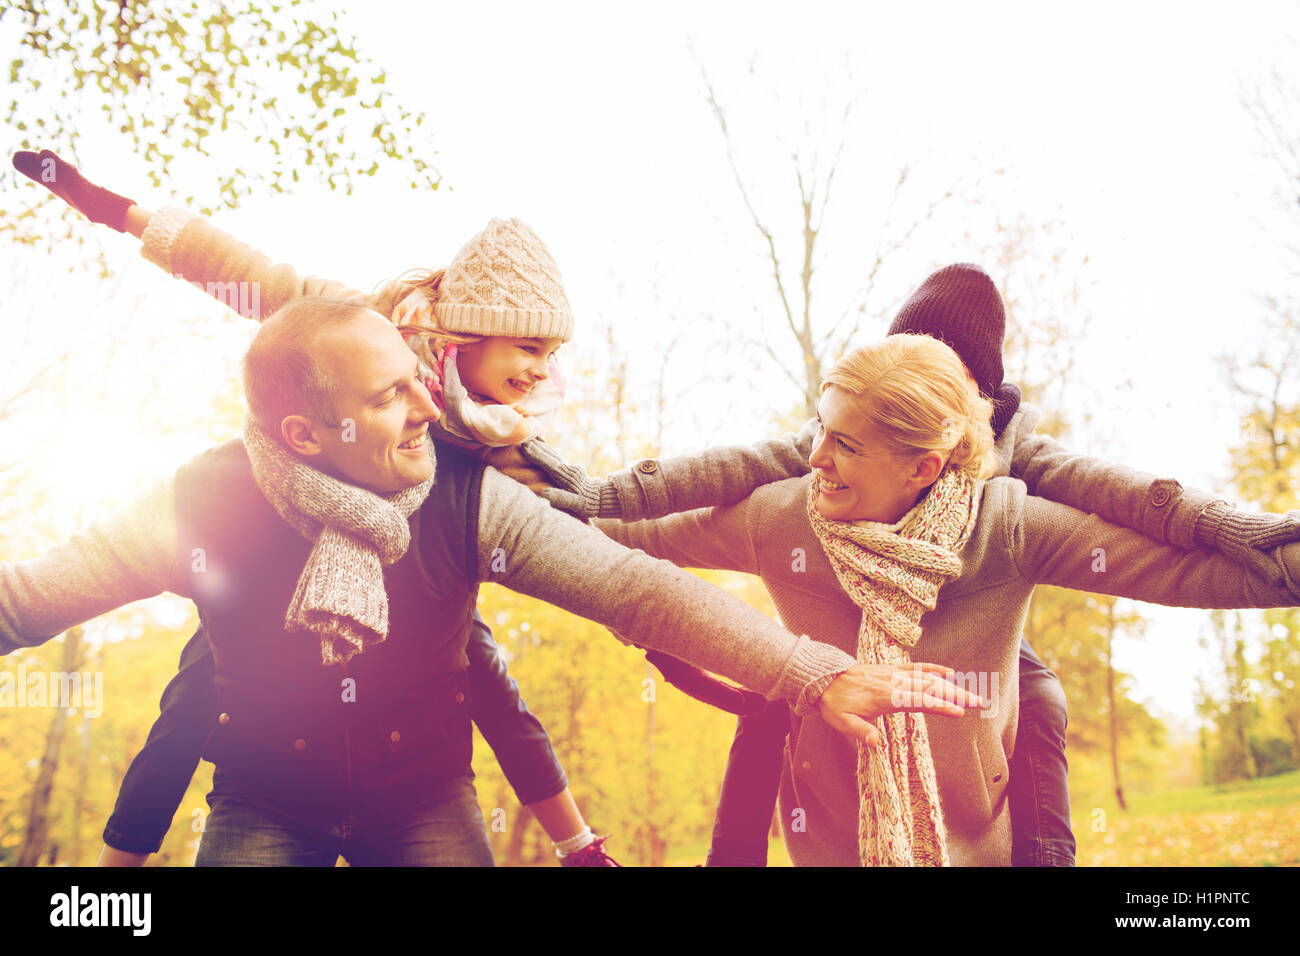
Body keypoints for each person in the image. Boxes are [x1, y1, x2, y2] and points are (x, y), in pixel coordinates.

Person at [0, 294, 986, 865]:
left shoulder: (465, 500)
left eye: (415, 378)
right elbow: (29, 601)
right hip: (264, 797)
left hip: (422, 795)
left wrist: (808, 670)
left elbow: (634, 586)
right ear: (306, 434)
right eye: (388, 396)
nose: (425, 408)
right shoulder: (196, 505)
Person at [12, 147, 761, 863]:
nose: (542, 371)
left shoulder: (504, 447)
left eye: (552, 353)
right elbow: (242, 272)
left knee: (484, 674)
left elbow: (603, 556)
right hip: (287, 536)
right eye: (527, 348)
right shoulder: (358, 327)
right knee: (201, 690)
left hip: (420, 579)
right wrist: (111, 209)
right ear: (466, 335)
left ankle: (575, 842)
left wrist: (684, 648)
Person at [520, 262, 1300, 865]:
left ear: (927, 465)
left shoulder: (1009, 523)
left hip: (977, 844)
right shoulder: (780, 514)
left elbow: (1174, 563)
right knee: (761, 717)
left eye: (845, 446)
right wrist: (514, 493)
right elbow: (626, 545)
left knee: (1045, 703)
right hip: (826, 844)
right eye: (820, 433)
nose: (814, 458)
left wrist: (1276, 556)